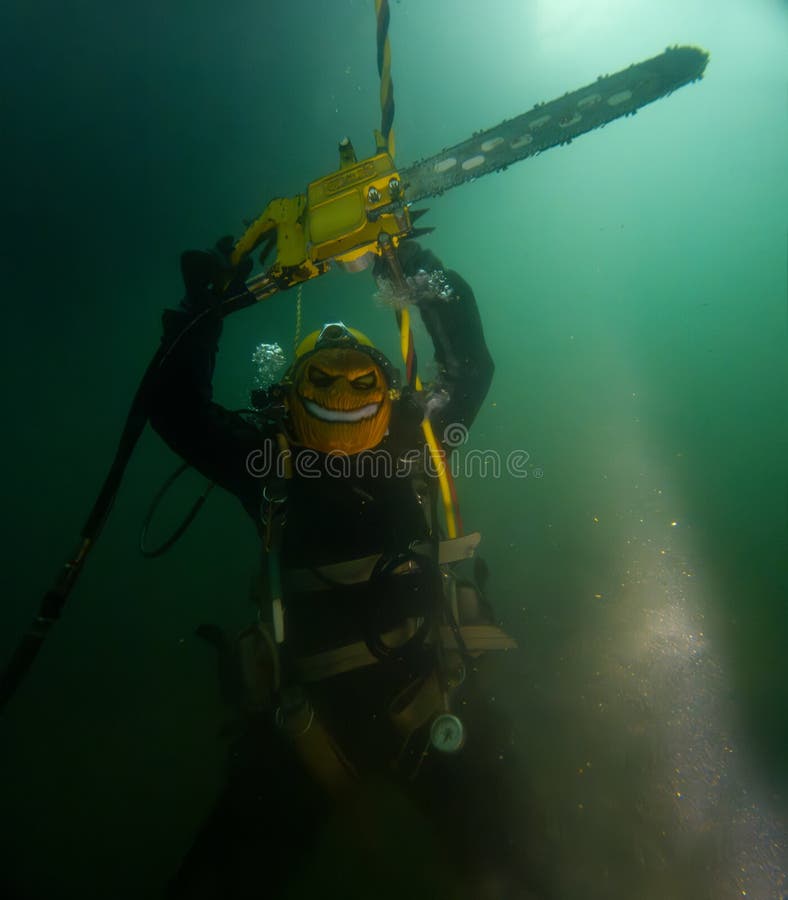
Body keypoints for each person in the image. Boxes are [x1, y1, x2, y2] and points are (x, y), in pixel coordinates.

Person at [150, 239, 548, 900]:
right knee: (518, 874)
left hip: (312, 730)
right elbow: (470, 367)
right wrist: (404, 260)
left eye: (352, 377)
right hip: (422, 710)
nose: (341, 389)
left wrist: (207, 304)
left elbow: (176, 409)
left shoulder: (269, 457)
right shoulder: (413, 435)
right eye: (326, 379)